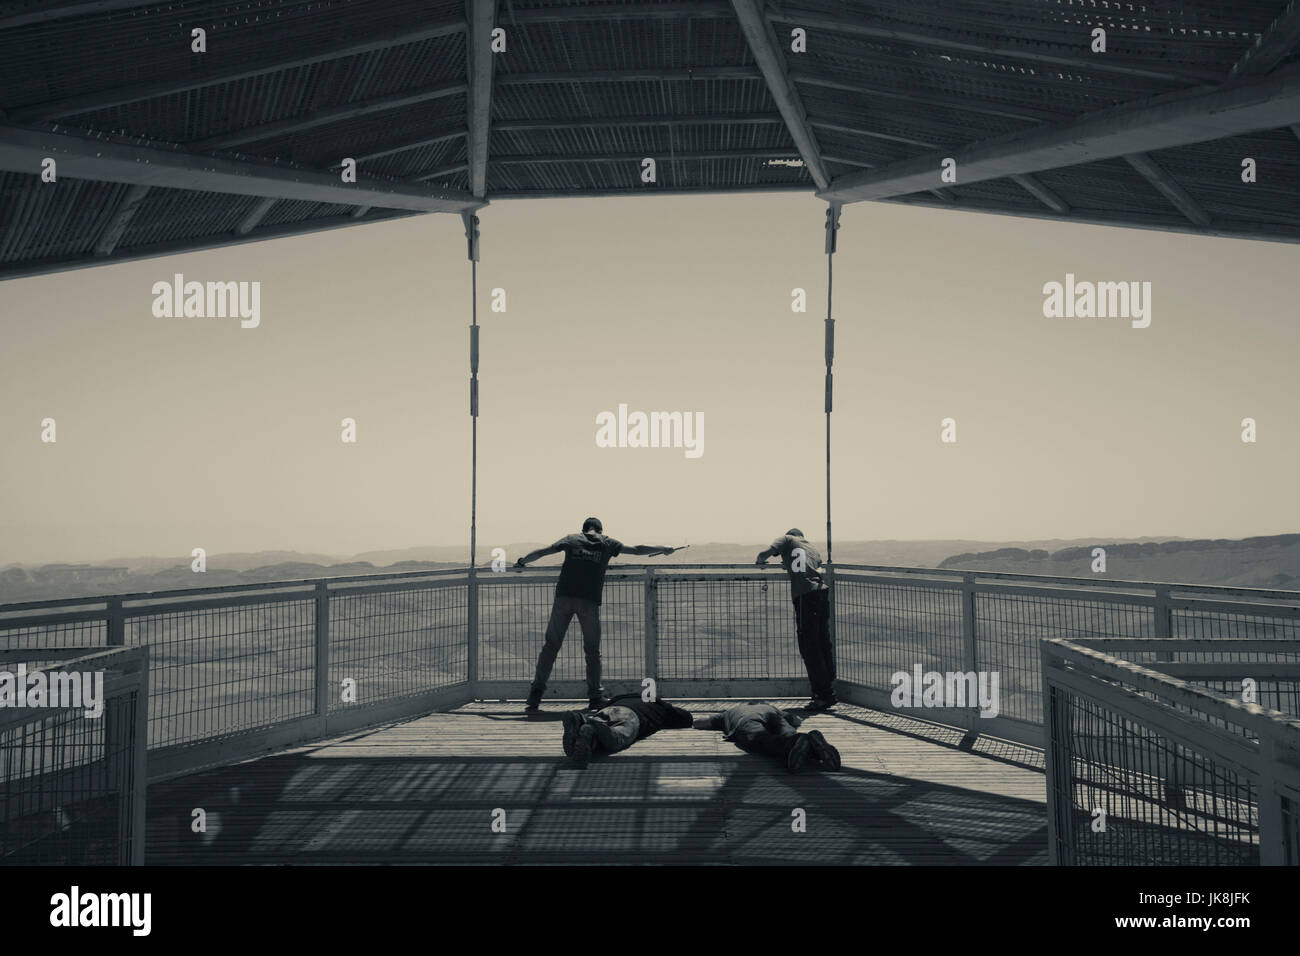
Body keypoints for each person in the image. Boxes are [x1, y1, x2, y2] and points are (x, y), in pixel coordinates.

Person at [515, 517, 678, 713]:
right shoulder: (607, 543)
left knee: (550, 646)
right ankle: (595, 697)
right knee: (592, 651)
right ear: (600, 530)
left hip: (564, 598)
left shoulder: (571, 539)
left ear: (583, 529)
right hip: (588, 601)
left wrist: (522, 561)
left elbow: (543, 552)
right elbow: (637, 549)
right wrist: (664, 548)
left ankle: (535, 695)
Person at [756, 528, 837, 710]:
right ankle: (829, 690)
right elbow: (814, 567)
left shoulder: (786, 539)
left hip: (805, 595)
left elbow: (763, 555)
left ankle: (822, 695)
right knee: (823, 642)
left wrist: (761, 561)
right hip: (821, 593)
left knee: (809, 646)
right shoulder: (812, 548)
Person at [692, 701, 841, 773]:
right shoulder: (770, 707)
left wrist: (720, 718)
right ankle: (811, 742)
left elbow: (699, 723)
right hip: (775, 716)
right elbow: (796, 720)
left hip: (747, 721)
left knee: (762, 740)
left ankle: (795, 746)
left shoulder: (732, 711)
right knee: (790, 737)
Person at [562, 692, 694, 769]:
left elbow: (604, 704)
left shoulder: (620, 697)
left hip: (608, 709)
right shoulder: (658, 705)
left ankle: (587, 730)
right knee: (617, 738)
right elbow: (687, 718)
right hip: (630, 715)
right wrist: (666, 706)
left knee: (599, 734)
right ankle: (585, 721)